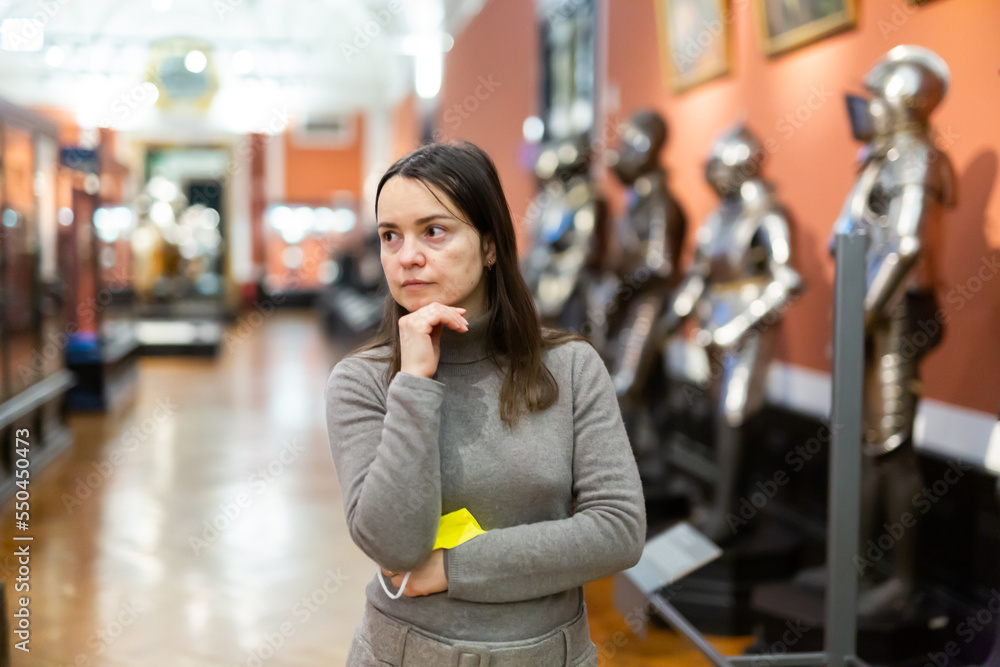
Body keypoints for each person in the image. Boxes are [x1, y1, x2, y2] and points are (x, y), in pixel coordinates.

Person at [324, 141, 646, 667]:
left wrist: (454, 567)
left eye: (434, 231)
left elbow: (617, 530)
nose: (407, 256)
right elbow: (394, 546)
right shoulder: (361, 381)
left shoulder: (569, 368)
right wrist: (415, 381)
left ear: (491, 245)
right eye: (390, 236)